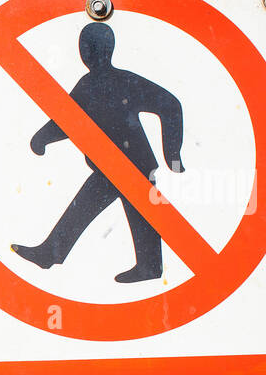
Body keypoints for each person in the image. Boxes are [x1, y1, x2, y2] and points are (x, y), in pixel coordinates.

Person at [11, 22, 185, 283]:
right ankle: (148, 266)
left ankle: (52, 253)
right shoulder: (94, 84)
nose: (85, 53)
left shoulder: (114, 81)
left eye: (87, 48)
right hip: (117, 164)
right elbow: (66, 119)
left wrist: (173, 154)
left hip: (129, 164)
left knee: (96, 208)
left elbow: (170, 105)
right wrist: (42, 139)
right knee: (136, 211)